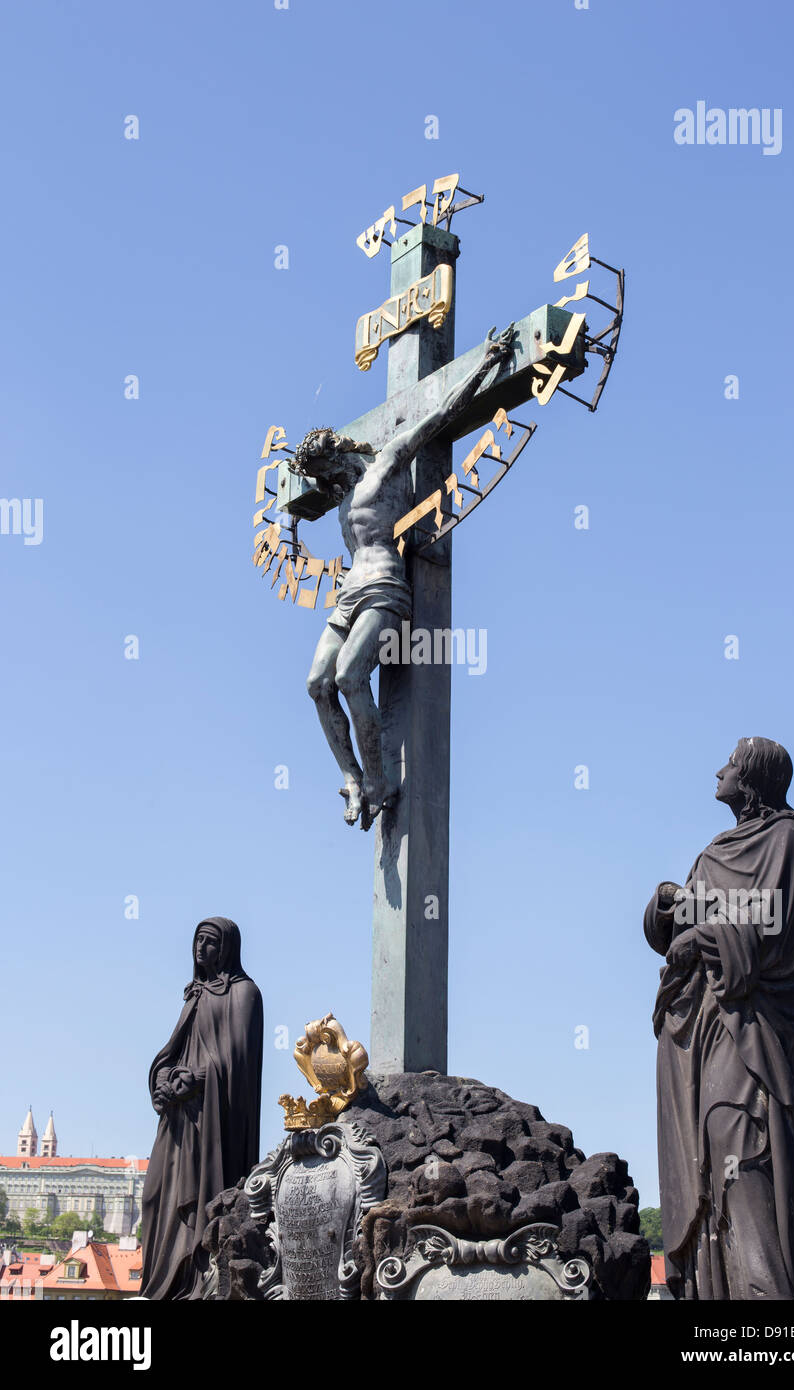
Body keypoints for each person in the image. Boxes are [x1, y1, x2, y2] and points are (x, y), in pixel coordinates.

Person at [644, 738, 794, 1300]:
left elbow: (777, 934)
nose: (719, 770)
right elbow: (681, 929)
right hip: (707, 1032)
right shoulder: (712, 854)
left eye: (730, 763)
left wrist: (703, 936)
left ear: (752, 777)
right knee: (711, 1169)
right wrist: (666, 905)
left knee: (743, 1155)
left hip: (757, 1040)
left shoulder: (787, 841)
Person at [301, 324, 515, 830]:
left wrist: (485, 364)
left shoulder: (388, 463)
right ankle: (353, 777)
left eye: (325, 467)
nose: (323, 480)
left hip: (384, 587)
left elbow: (441, 416)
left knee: (352, 677)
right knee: (316, 684)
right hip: (348, 596)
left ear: (340, 451)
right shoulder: (341, 498)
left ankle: (378, 782)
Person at [141, 917, 263, 1300]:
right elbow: (171, 1049)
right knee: (154, 1195)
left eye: (209, 942)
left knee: (201, 1203)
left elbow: (238, 1063)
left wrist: (198, 1079)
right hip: (179, 1117)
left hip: (213, 1119)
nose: (200, 949)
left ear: (226, 948)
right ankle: (164, 1284)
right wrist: (162, 1079)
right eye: (197, 941)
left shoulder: (245, 994)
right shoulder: (195, 993)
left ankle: (198, 1280)